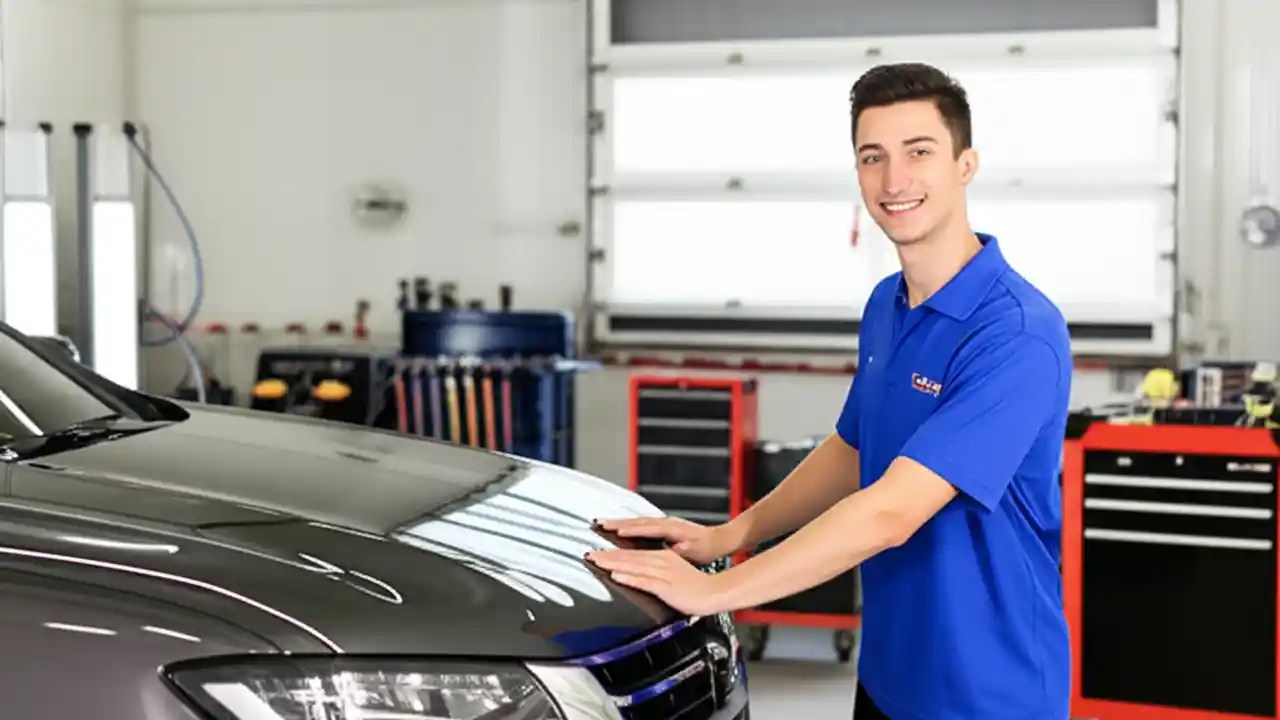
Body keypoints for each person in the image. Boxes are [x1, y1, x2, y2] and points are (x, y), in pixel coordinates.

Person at [587, 62, 1073, 719]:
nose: (894, 180)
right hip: (890, 676)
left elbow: (890, 512)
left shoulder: (1016, 335)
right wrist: (728, 535)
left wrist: (717, 592)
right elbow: (850, 450)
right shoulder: (887, 305)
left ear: (966, 165)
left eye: (919, 152)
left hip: (989, 692)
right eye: (873, 157)